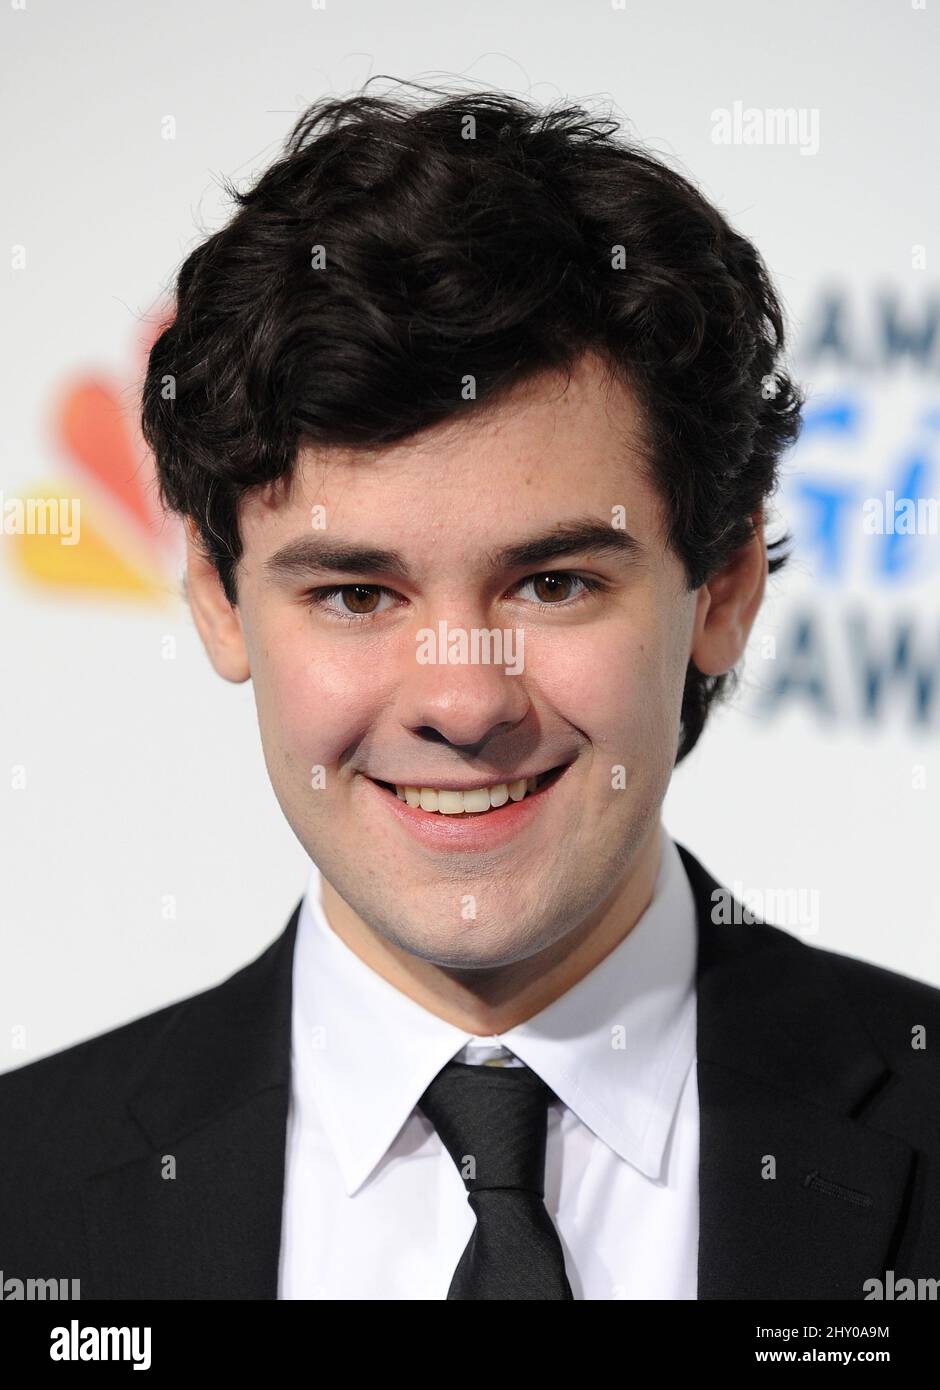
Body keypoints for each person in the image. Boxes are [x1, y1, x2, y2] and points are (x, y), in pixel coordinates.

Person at [2, 82, 938, 1301]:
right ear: (222, 602)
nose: (461, 699)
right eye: (354, 593)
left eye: (550, 583)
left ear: (719, 586)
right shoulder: (25, 1193)